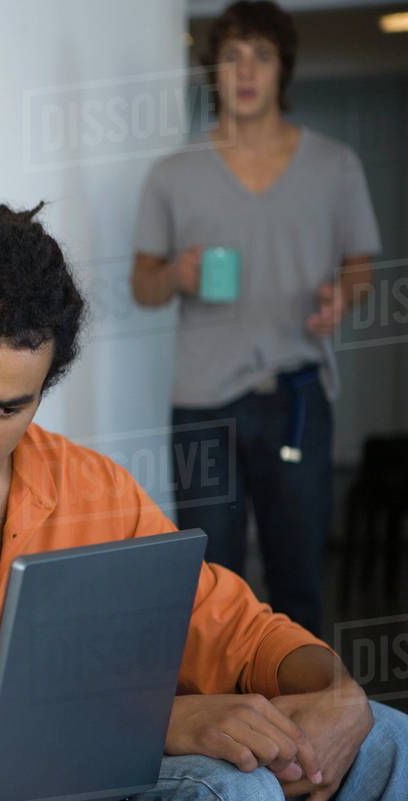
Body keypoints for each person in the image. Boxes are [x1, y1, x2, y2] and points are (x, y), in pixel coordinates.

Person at [0, 185, 407, 800]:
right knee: (231, 785)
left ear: (44, 388)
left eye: (7, 408)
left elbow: (225, 625)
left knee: (389, 736)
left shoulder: (90, 483)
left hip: (108, 766)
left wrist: (338, 689)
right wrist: (163, 727)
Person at [131, 0, 380, 636]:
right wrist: (176, 275)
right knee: (210, 589)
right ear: (214, 69)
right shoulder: (173, 175)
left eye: (261, 56)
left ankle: (306, 728)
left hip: (297, 395)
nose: (245, 71)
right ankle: (219, 730)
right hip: (202, 408)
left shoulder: (335, 165)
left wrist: (342, 298)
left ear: (282, 70)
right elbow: (142, 283)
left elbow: (360, 267)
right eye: (232, 55)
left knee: (298, 579)